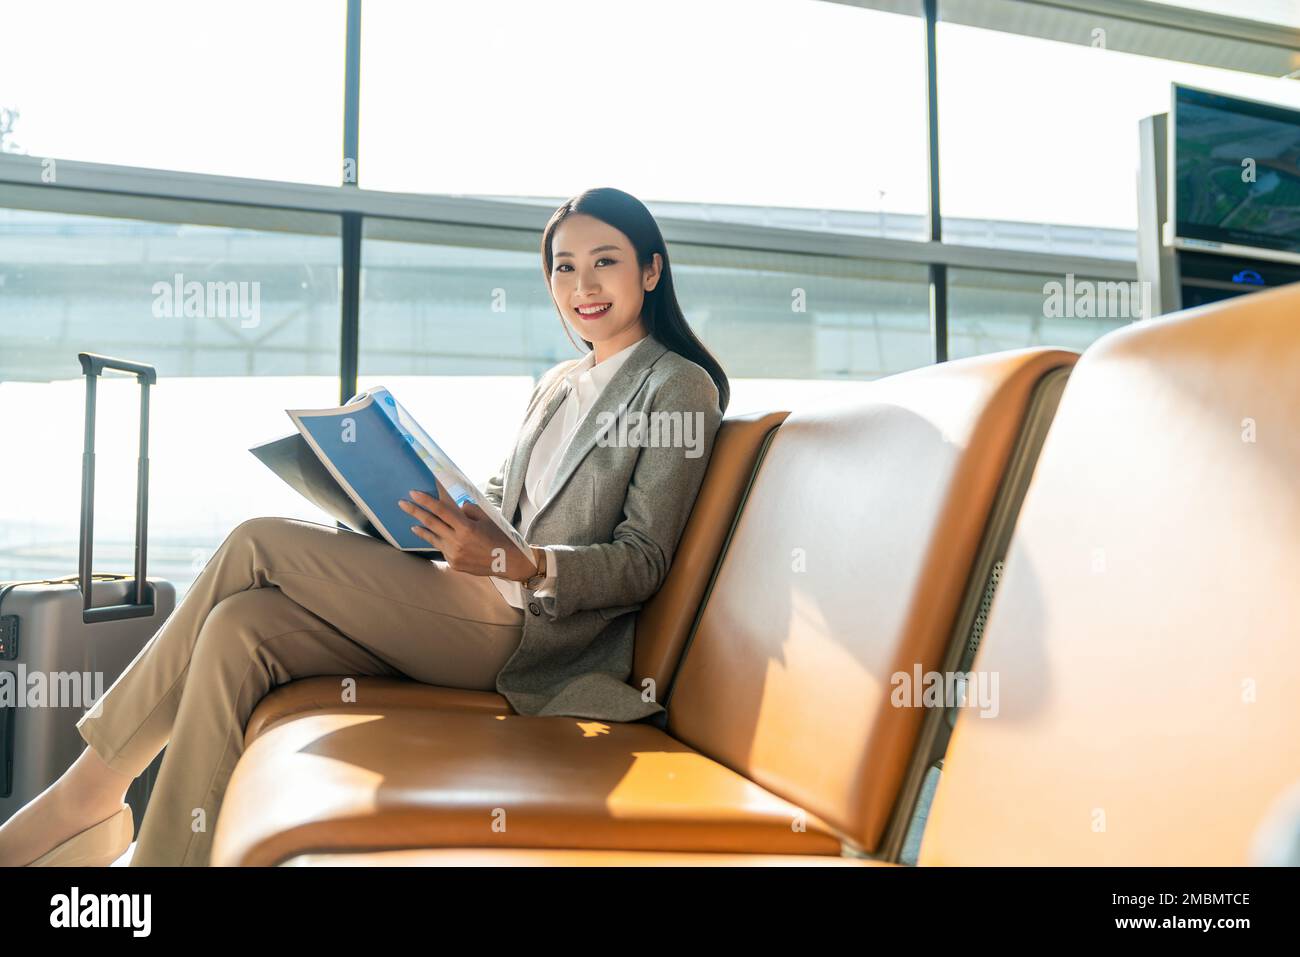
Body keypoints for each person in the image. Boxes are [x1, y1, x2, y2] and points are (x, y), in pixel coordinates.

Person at [0, 186, 728, 868]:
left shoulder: (677, 385)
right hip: (467, 597)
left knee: (258, 538)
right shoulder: (558, 383)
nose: (583, 287)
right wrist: (419, 506)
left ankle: (86, 795)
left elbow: (643, 560)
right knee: (239, 629)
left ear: (651, 270)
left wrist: (520, 562)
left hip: (536, 638)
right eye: (564, 267)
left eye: (605, 263)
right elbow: (506, 498)